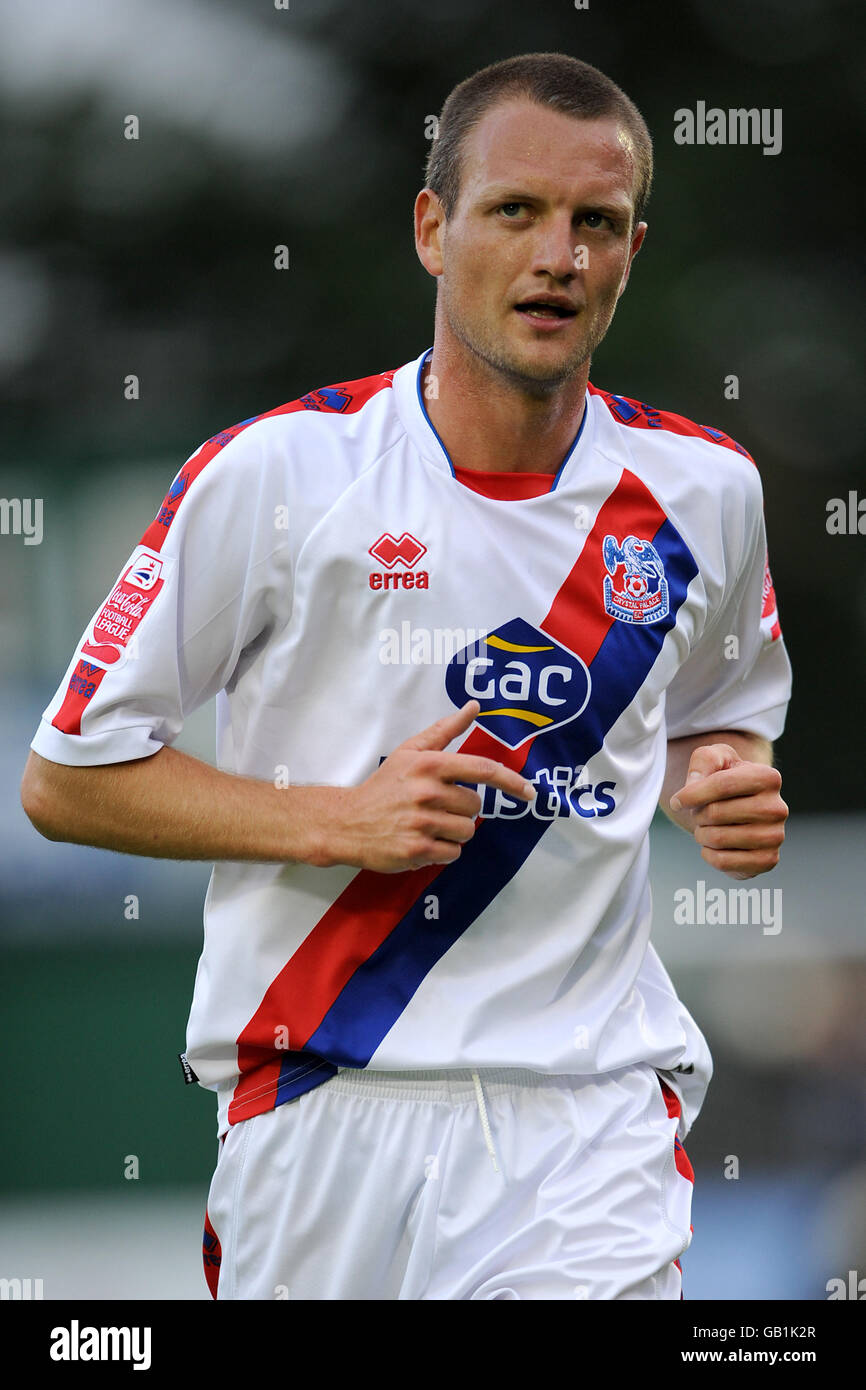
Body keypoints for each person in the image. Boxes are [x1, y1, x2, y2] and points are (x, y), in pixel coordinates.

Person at [20, 51, 790, 1301]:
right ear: (434, 230)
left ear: (631, 248)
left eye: (595, 223)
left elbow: (722, 716)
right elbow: (68, 779)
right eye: (515, 211)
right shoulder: (276, 475)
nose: (559, 255)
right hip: (322, 1101)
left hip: (583, 1115)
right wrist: (335, 820)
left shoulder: (704, 490)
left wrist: (727, 777)